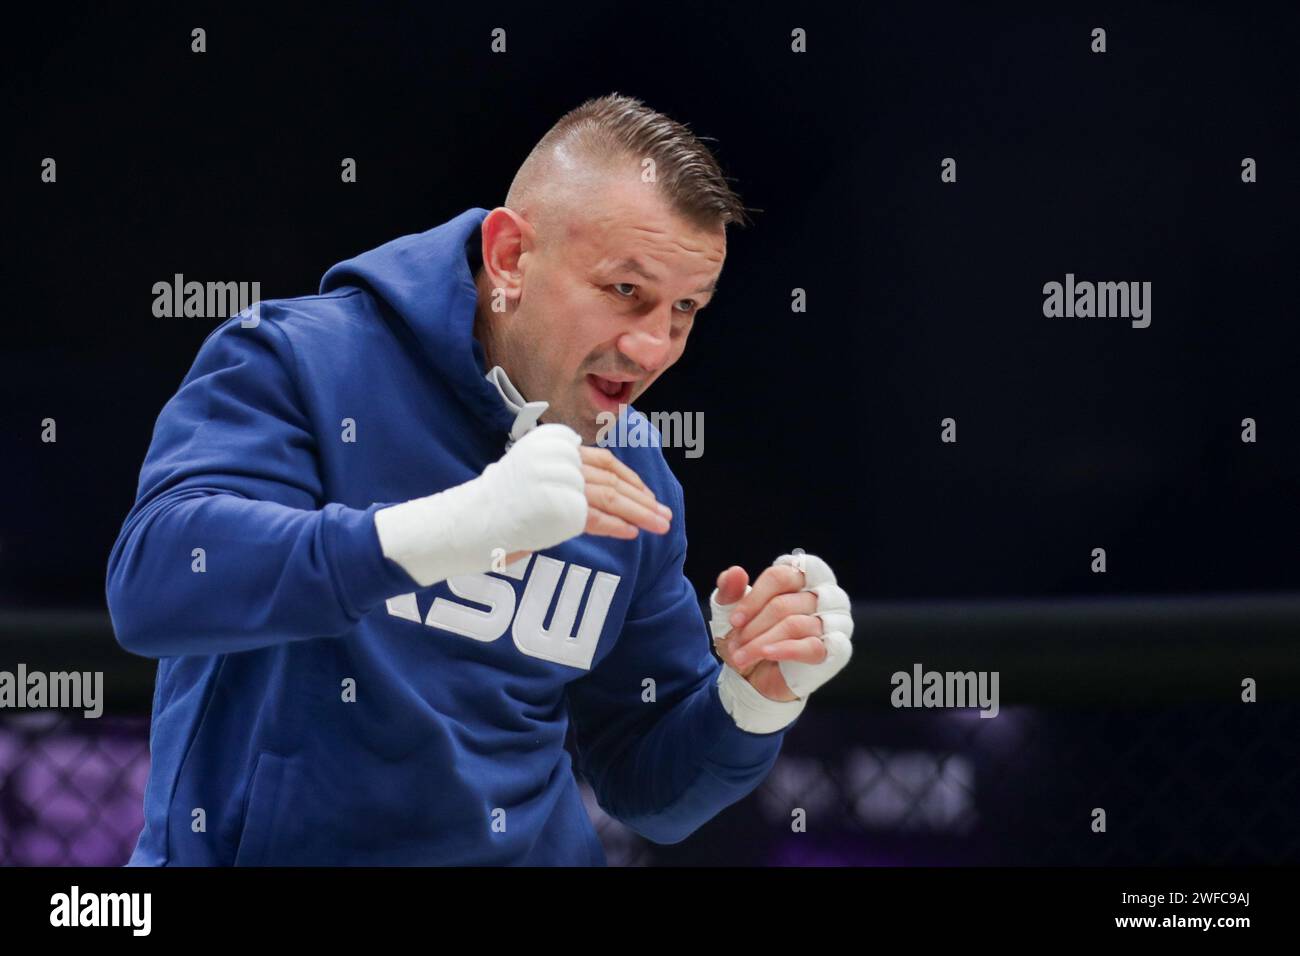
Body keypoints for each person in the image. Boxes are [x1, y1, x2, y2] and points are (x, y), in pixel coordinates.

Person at [106, 93, 854, 865]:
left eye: (686, 308)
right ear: (508, 258)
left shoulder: (632, 469)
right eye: (625, 290)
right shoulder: (300, 361)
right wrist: (463, 527)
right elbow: (156, 583)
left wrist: (752, 702)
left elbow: (645, 786)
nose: (653, 346)